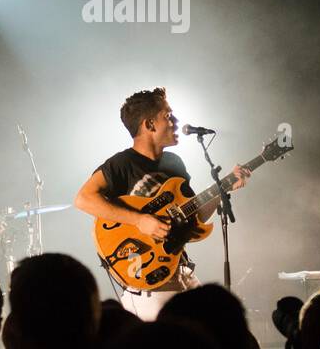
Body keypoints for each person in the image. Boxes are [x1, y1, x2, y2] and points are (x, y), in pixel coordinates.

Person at [74, 87, 250, 319]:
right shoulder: (122, 164)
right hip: (148, 277)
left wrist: (224, 187)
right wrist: (140, 220)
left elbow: (192, 216)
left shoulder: (174, 163)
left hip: (179, 267)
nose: (176, 121)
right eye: (168, 115)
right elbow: (83, 199)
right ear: (149, 125)